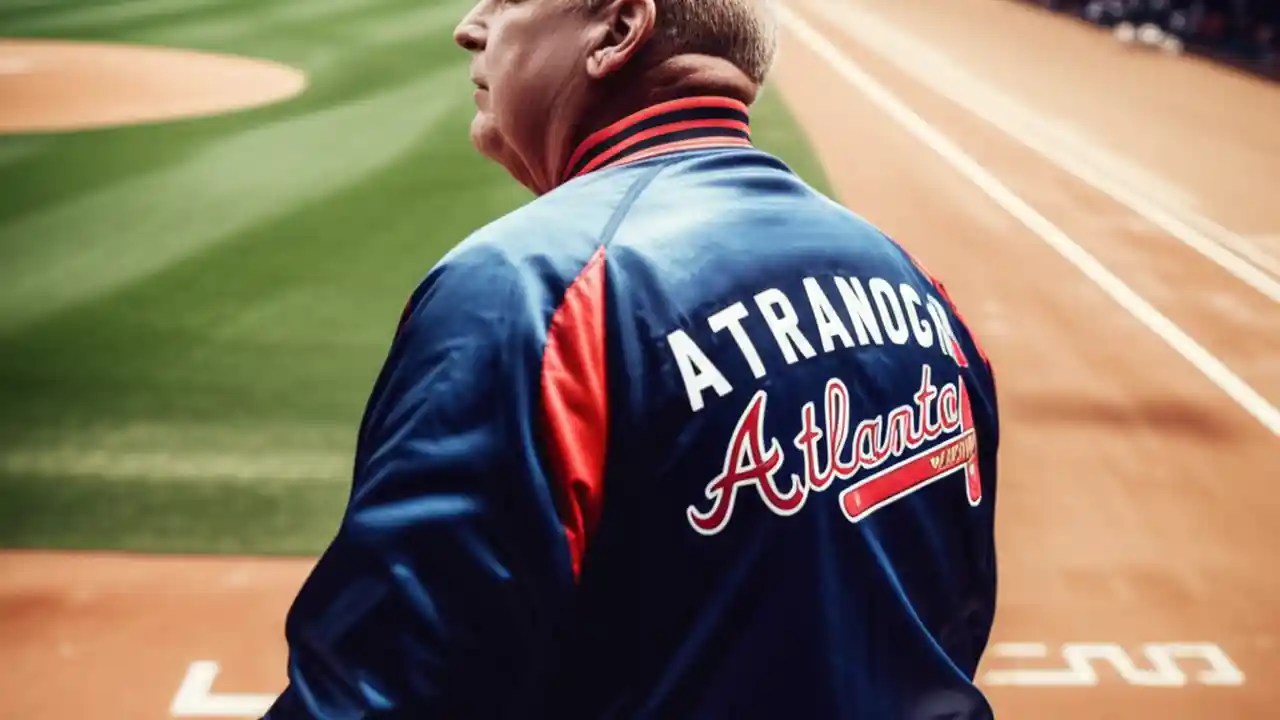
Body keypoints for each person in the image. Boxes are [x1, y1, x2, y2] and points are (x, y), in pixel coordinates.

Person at [263, 0, 1000, 717]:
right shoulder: (915, 288)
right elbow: (952, 621)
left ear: (616, 30)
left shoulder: (533, 287)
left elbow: (385, 686)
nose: (469, 26)